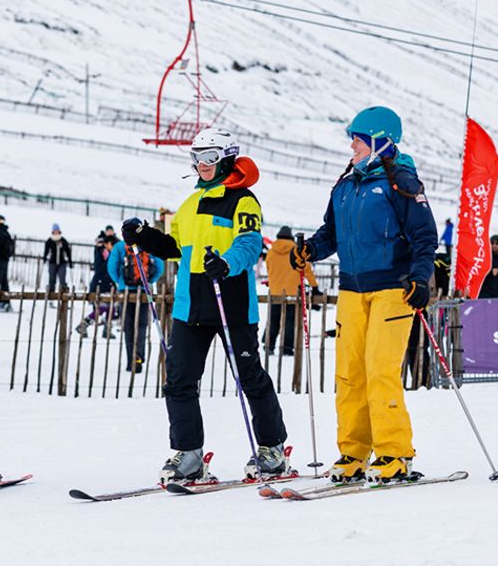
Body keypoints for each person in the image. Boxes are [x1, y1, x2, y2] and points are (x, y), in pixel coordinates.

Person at [122, 127, 290, 482]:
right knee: (179, 380)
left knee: (250, 379)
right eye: (196, 159)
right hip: (190, 307)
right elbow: (174, 247)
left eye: (210, 158)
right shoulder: (190, 204)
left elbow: (249, 243)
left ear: (227, 158)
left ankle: (272, 448)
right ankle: (188, 453)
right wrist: (143, 237)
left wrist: (226, 262)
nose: (202, 165)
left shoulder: (243, 200)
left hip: (231, 304)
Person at [291, 106, 437, 483]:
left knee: (379, 370)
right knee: (349, 374)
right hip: (352, 290)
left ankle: (394, 452)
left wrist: (421, 279)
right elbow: (330, 233)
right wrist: (311, 250)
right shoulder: (345, 185)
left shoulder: (401, 182)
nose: (352, 145)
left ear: (378, 140)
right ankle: (353, 451)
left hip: (393, 289)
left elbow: (425, 238)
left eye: (358, 138)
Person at [108, 238, 164, 373]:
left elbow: (112, 267)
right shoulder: (149, 244)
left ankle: (130, 360)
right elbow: (160, 266)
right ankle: (139, 355)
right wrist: (150, 280)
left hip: (125, 292)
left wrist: (121, 282)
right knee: (141, 325)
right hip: (144, 291)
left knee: (128, 326)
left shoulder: (120, 246)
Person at [265, 225, 319, 357]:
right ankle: (287, 348)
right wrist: (315, 286)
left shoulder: (271, 253)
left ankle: (268, 345)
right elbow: (307, 270)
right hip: (292, 293)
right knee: (289, 321)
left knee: (273, 319)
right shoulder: (296, 253)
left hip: (275, 292)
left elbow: (269, 270)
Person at [75, 231, 118, 337]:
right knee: (101, 308)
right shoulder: (101, 253)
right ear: (106, 244)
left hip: (109, 285)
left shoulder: (111, 254)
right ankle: (83, 324)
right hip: (100, 285)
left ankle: (107, 330)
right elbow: (99, 269)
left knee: (111, 308)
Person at [43, 223, 72, 294]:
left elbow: (68, 251)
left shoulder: (63, 240)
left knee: (62, 279)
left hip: (62, 263)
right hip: (52, 262)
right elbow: (46, 251)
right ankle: (51, 296)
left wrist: (70, 260)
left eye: (57, 231)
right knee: (52, 280)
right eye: (55, 231)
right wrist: (44, 258)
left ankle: (63, 296)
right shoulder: (49, 241)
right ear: (53, 232)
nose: (56, 232)